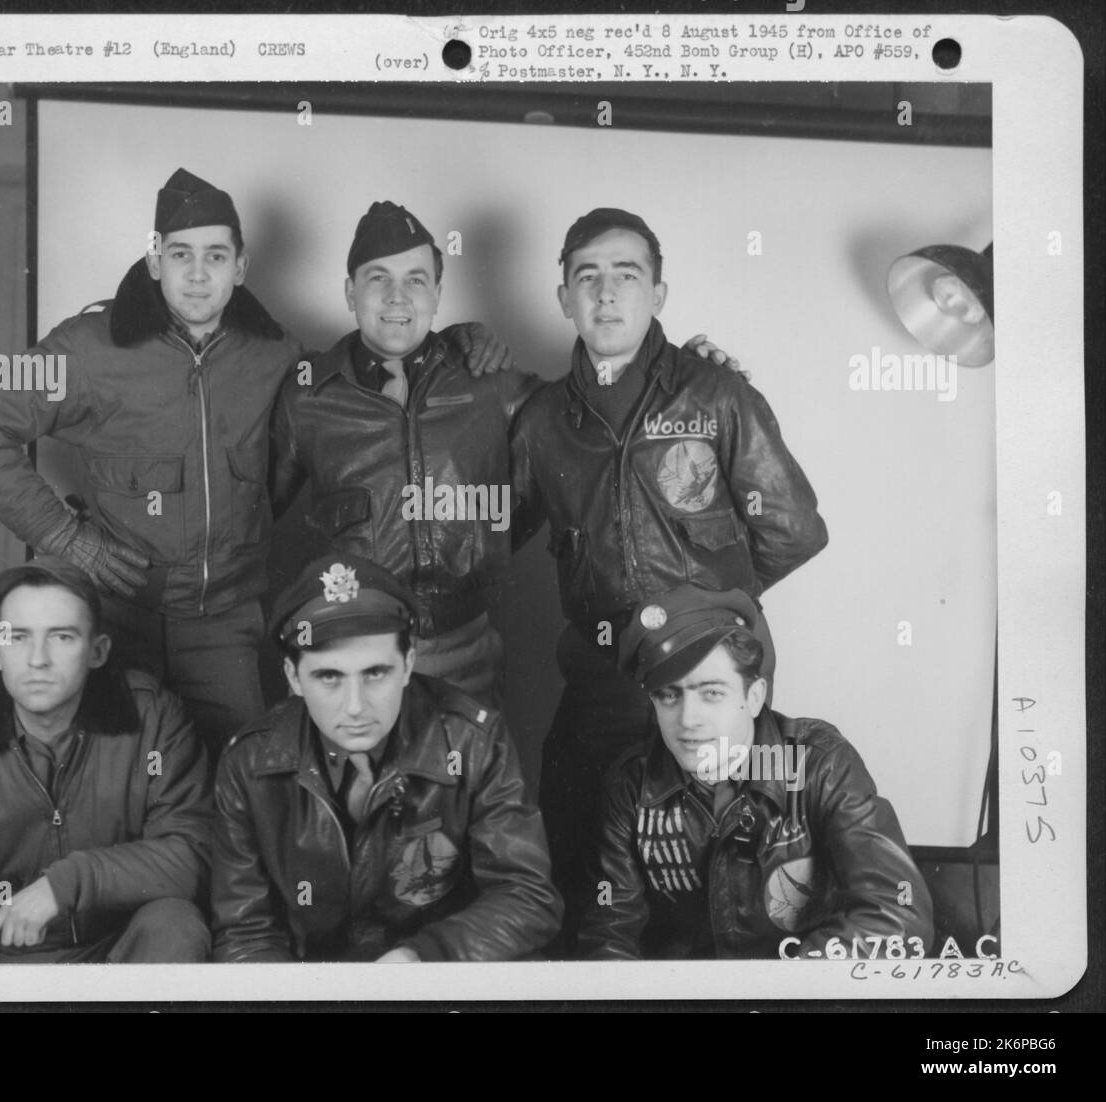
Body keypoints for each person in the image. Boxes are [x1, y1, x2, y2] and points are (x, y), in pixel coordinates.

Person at [0, 170, 510, 762]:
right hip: (121, 613)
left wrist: (454, 343)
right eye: (180, 254)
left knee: (241, 781)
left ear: (240, 268)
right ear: (155, 260)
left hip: (225, 626)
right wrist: (68, 539)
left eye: (216, 255)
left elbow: (365, 386)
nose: (196, 273)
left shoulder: (277, 356)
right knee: (105, 778)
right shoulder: (86, 348)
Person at [510, 207, 829, 939]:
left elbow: (794, 528)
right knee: (583, 839)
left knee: (721, 847)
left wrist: (710, 620)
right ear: (563, 298)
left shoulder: (714, 394)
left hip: (706, 670)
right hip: (602, 672)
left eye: (628, 275)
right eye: (587, 277)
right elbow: (495, 531)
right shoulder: (541, 420)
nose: (607, 293)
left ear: (659, 293)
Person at [211, 552, 562, 962]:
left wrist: (424, 957)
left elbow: (527, 895)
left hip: (438, 986)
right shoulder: (249, 764)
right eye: (329, 677)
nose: (356, 706)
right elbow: (246, 932)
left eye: (375, 673)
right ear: (293, 678)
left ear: (409, 663)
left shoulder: (473, 741)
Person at [269, 201, 541, 704]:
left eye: (416, 280)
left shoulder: (490, 382)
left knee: (466, 777)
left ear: (437, 294)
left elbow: (585, 427)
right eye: (378, 279)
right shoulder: (306, 396)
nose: (397, 297)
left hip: (465, 653)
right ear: (350, 291)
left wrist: (696, 371)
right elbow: (248, 513)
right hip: (353, 657)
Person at [577, 585, 933, 960]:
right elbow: (608, 936)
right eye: (669, 695)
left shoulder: (818, 764)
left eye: (711, 693)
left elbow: (898, 913)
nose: (688, 720)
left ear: (754, 696)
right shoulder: (631, 785)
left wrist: (785, 990)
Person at [0, 557, 212, 964]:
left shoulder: (154, 719)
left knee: (175, 923)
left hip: (124, 953)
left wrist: (65, 883)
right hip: (14, 974)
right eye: (17, 637)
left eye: (62, 637)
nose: (38, 659)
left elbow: (192, 856)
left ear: (98, 651)